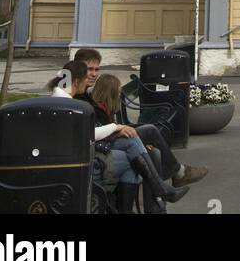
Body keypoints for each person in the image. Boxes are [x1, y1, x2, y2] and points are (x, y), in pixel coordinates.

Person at [74, 45, 207, 186]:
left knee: (150, 142)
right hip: (98, 145)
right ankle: (175, 176)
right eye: (90, 69)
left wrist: (117, 128)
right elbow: (91, 130)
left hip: (104, 138)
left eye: (96, 69)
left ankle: (162, 196)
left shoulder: (85, 92)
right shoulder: (75, 94)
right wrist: (117, 129)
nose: (94, 74)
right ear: (78, 68)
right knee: (148, 134)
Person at [89, 73, 191, 214]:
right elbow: (96, 136)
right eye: (118, 92)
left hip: (110, 142)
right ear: (111, 93)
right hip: (101, 148)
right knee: (145, 133)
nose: (120, 95)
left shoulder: (104, 107)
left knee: (152, 151)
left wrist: (134, 141)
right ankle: (164, 186)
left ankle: (157, 199)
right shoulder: (95, 109)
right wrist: (117, 131)